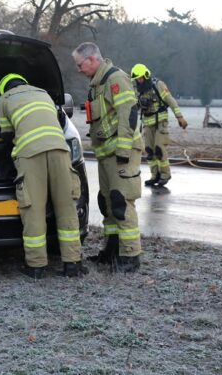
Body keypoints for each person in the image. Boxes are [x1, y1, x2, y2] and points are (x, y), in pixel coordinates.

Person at [0, 73, 84, 279]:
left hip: (30, 154)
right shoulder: (44, 94)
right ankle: (73, 263)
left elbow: (7, 136)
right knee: (66, 206)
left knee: (33, 209)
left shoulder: (4, 100)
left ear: (3, 89)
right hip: (60, 151)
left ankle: (36, 267)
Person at [71, 43, 143, 273]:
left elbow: (128, 115)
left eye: (80, 64)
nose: (78, 69)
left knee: (121, 202)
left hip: (121, 154)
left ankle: (130, 256)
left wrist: (123, 151)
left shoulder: (116, 79)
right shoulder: (98, 84)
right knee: (108, 204)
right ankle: (112, 251)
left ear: (92, 59)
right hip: (106, 156)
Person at [130, 64, 188, 187]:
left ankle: (165, 174)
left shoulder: (158, 85)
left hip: (160, 122)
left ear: (146, 76)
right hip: (147, 123)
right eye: (137, 79)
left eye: (140, 78)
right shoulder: (137, 90)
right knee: (149, 150)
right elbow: (135, 106)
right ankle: (154, 175)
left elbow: (171, 100)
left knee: (159, 148)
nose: (139, 81)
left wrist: (180, 117)